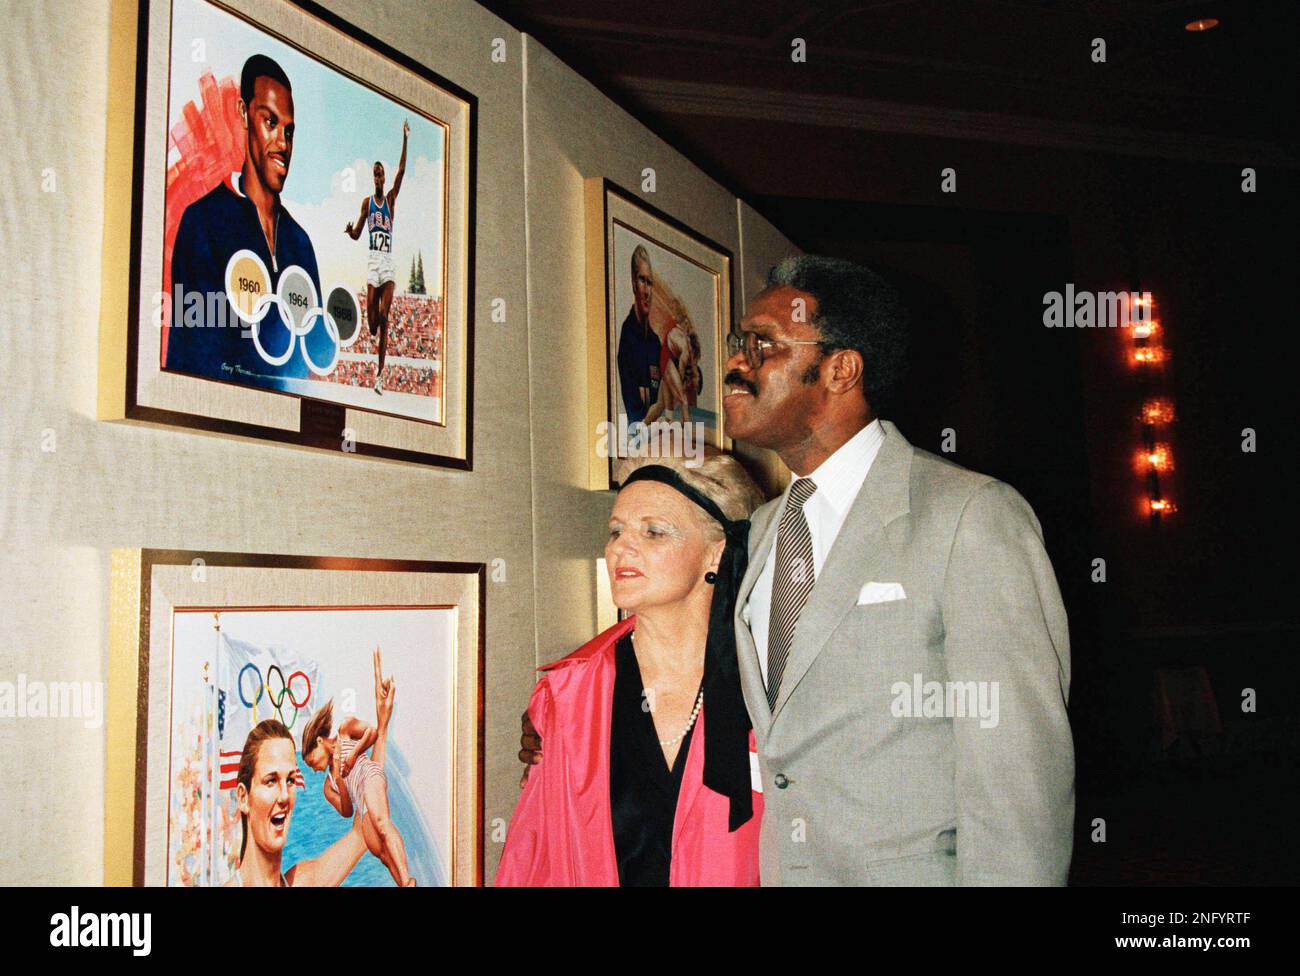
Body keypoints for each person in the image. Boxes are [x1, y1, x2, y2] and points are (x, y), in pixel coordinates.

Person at [523, 255, 1075, 886]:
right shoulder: (758, 536)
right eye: (736, 345)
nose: (735, 363)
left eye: (761, 345)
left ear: (841, 368)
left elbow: (1019, 775)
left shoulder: (968, 517)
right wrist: (564, 710)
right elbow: (686, 647)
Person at [497, 455, 765, 886]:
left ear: (716, 553)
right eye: (616, 531)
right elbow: (534, 860)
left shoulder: (771, 687)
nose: (621, 547)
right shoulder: (569, 698)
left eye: (654, 532)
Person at [167, 54, 321, 383]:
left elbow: (309, 370)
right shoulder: (202, 223)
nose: (282, 143)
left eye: (289, 132)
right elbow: (187, 364)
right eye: (271, 122)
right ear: (243, 114)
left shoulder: (301, 244)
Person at [226, 650, 396, 887]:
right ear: (243, 797)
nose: (284, 795)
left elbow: (362, 829)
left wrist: (383, 725)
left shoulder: (305, 882)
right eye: (271, 781)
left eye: (290, 781)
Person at [300, 687, 416, 886]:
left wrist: (353, 755)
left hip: (370, 777)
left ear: (319, 741)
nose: (314, 768)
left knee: (381, 823)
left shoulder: (344, 732)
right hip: (361, 801)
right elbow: (347, 810)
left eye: (312, 761)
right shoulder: (328, 786)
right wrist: (341, 779)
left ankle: (407, 880)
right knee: (380, 852)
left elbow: (371, 734)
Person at [345, 120, 409, 395]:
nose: (379, 178)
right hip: (373, 262)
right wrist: (350, 232)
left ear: (385, 177)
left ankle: (380, 375)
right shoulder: (367, 204)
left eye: (381, 174)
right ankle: (374, 326)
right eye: (375, 174)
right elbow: (359, 233)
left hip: (388, 263)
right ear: (373, 179)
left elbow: (403, 170)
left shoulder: (391, 199)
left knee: (385, 317)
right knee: (372, 325)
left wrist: (405, 137)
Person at [615, 245, 662, 426]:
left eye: (650, 283)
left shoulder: (655, 342)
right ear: (634, 284)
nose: (647, 291)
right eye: (642, 281)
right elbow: (635, 416)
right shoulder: (627, 338)